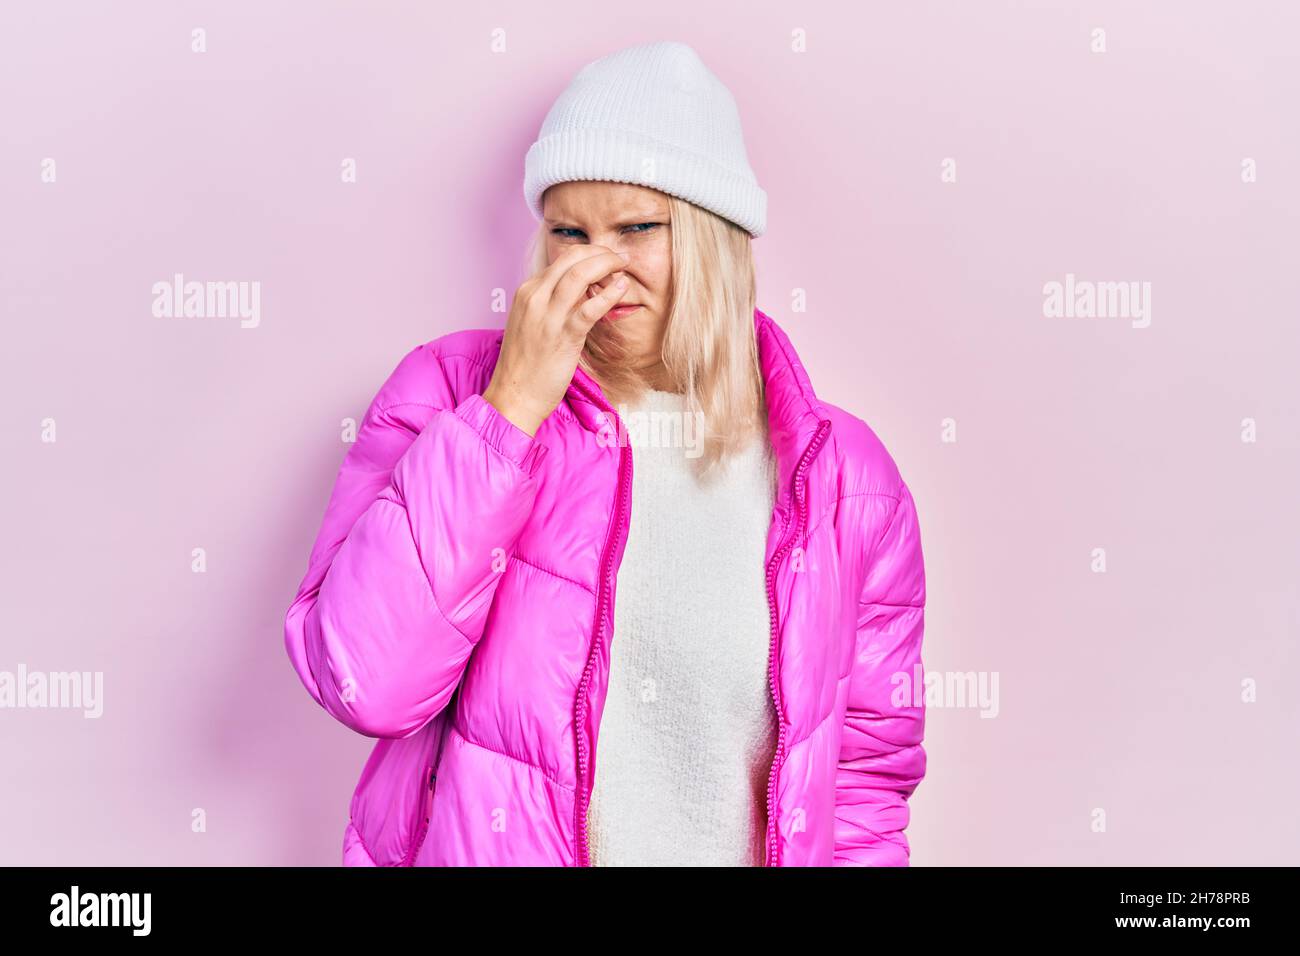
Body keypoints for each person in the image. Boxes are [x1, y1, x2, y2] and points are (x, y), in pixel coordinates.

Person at [284, 39, 927, 867]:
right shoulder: (449, 396)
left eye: (636, 227)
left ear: (712, 238)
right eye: (567, 230)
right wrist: (509, 412)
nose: (596, 263)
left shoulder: (848, 480)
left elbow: (865, 782)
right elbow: (365, 682)